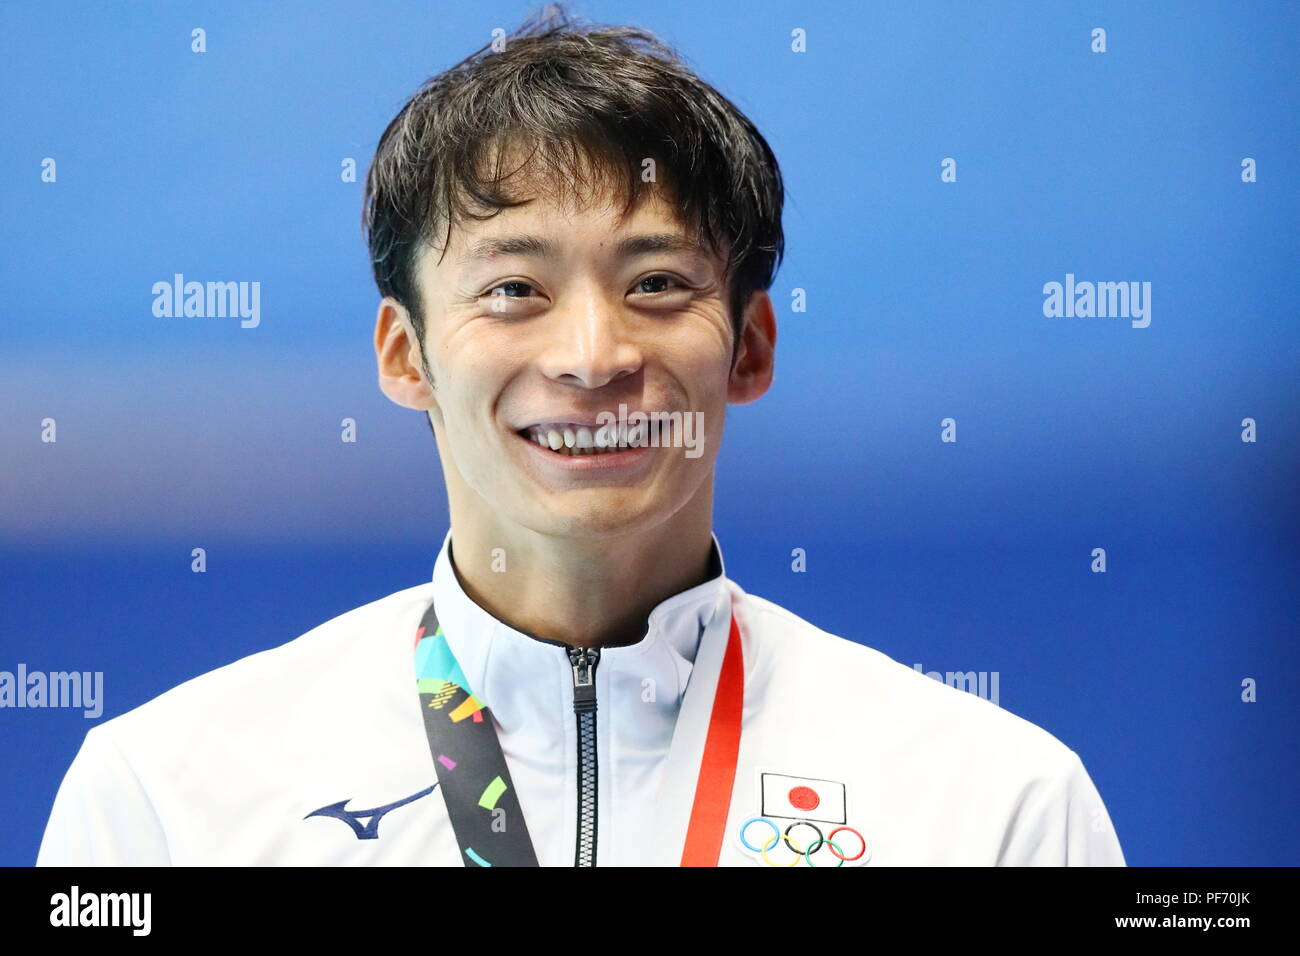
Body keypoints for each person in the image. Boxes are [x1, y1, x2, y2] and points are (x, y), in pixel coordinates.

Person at [37, 6, 1125, 867]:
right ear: (404, 355)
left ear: (750, 347)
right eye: (514, 288)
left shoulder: (990, 805)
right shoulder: (167, 797)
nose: (593, 354)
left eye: (657, 283)